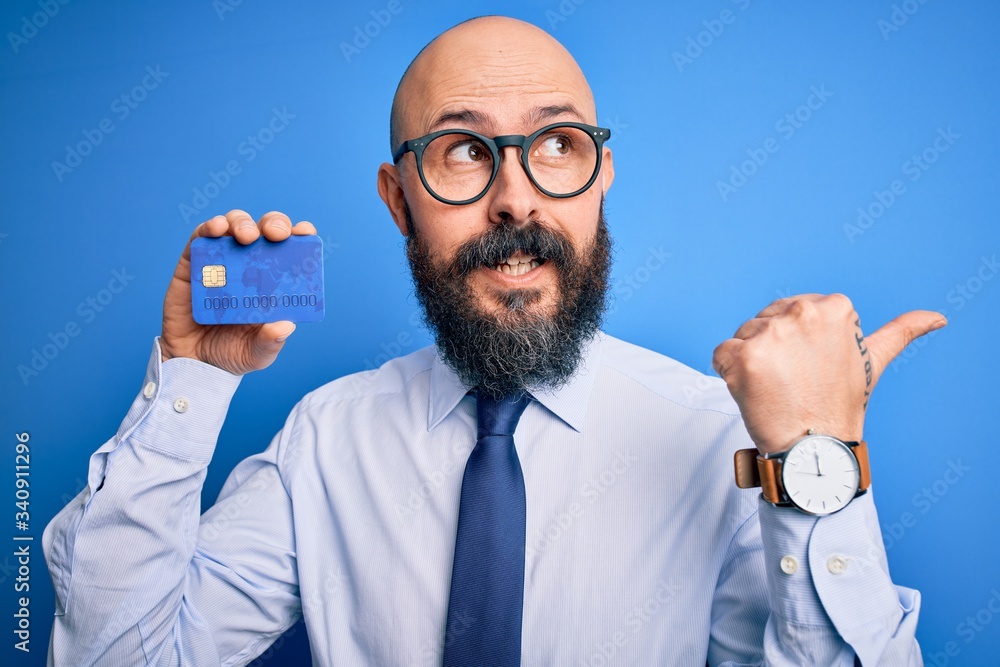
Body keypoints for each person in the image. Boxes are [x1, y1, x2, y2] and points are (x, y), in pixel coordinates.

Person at [44, 15, 944, 666]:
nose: (517, 197)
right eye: (464, 152)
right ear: (399, 203)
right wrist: (191, 386)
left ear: (600, 182)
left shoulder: (718, 439)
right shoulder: (325, 439)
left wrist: (817, 461)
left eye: (557, 145)